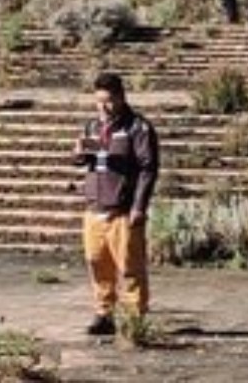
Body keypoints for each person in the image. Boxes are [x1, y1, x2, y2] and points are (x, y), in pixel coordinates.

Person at [74, 70, 159, 337]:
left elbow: (148, 168)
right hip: (95, 206)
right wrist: (78, 155)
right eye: (99, 101)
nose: (104, 107)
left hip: (123, 209)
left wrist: (139, 207)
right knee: (97, 262)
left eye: (109, 101)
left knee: (130, 267)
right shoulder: (92, 126)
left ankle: (135, 318)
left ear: (121, 97)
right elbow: (89, 162)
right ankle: (104, 313)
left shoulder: (138, 127)